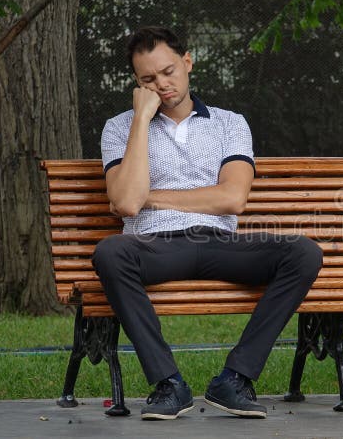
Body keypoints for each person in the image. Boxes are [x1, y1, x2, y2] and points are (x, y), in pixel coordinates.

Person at [92, 26, 323, 421]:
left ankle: (234, 379)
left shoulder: (229, 123)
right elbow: (127, 203)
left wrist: (154, 197)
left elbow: (232, 198)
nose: (162, 84)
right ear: (137, 83)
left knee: (303, 253)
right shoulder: (119, 127)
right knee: (110, 252)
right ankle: (168, 384)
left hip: (219, 242)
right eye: (148, 79)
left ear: (188, 62)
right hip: (155, 245)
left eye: (168, 71)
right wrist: (141, 120)